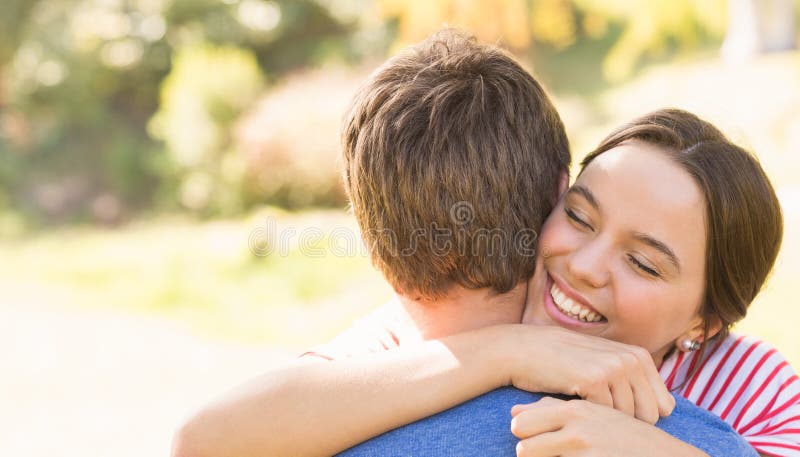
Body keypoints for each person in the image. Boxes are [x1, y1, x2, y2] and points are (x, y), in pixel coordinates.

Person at [170, 30, 793, 457]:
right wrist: (504, 350)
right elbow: (208, 439)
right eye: (579, 216)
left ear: (705, 323)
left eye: (642, 262)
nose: (584, 265)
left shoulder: (746, 386)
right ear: (553, 195)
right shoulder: (419, 339)